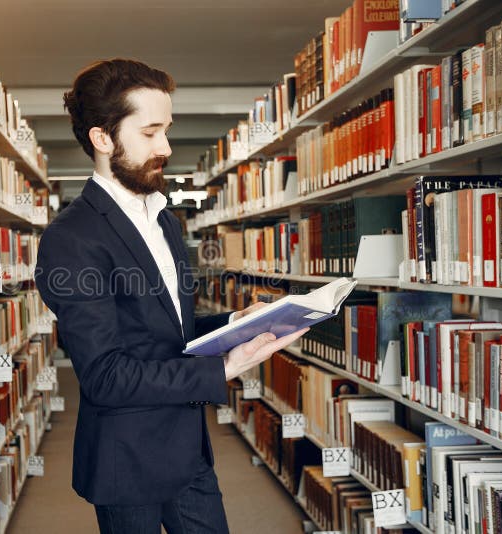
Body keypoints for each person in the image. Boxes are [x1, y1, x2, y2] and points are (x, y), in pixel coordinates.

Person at [34, 58, 308, 534]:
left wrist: (237, 323)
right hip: (128, 462)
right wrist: (222, 368)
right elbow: (105, 376)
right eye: (150, 132)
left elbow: (167, 331)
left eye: (168, 129)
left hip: (188, 451)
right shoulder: (71, 239)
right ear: (103, 139)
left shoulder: (163, 217)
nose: (166, 146)